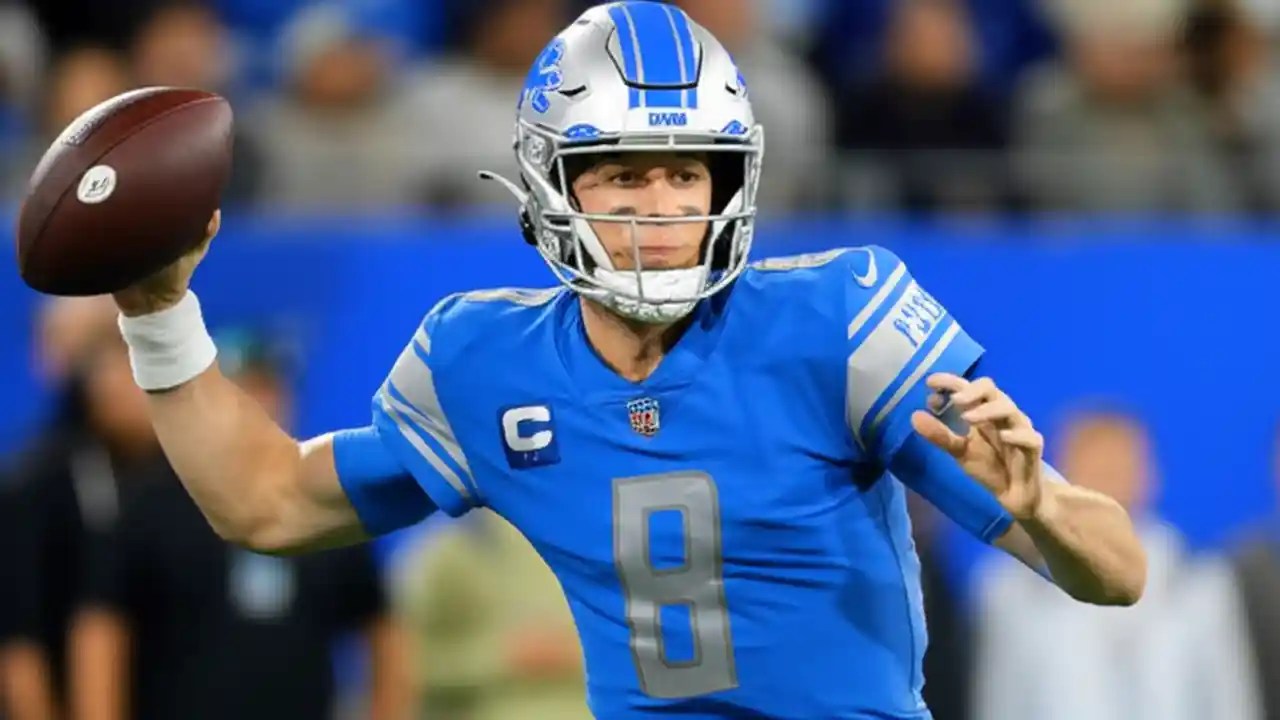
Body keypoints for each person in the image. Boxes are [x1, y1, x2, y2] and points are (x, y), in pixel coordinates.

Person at [105, 2, 1146, 717]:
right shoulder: (485, 360)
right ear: (551, 185)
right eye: (620, 175)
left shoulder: (836, 323)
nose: (657, 208)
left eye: (685, 174)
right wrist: (159, 314)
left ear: (728, 185)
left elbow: (1120, 574)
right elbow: (269, 503)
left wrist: (1050, 512)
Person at [70, 328, 411, 720]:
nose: (262, 403)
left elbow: (383, 628)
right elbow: (102, 630)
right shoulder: (150, 501)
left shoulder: (324, 502)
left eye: (270, 387)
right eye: (246, 387)